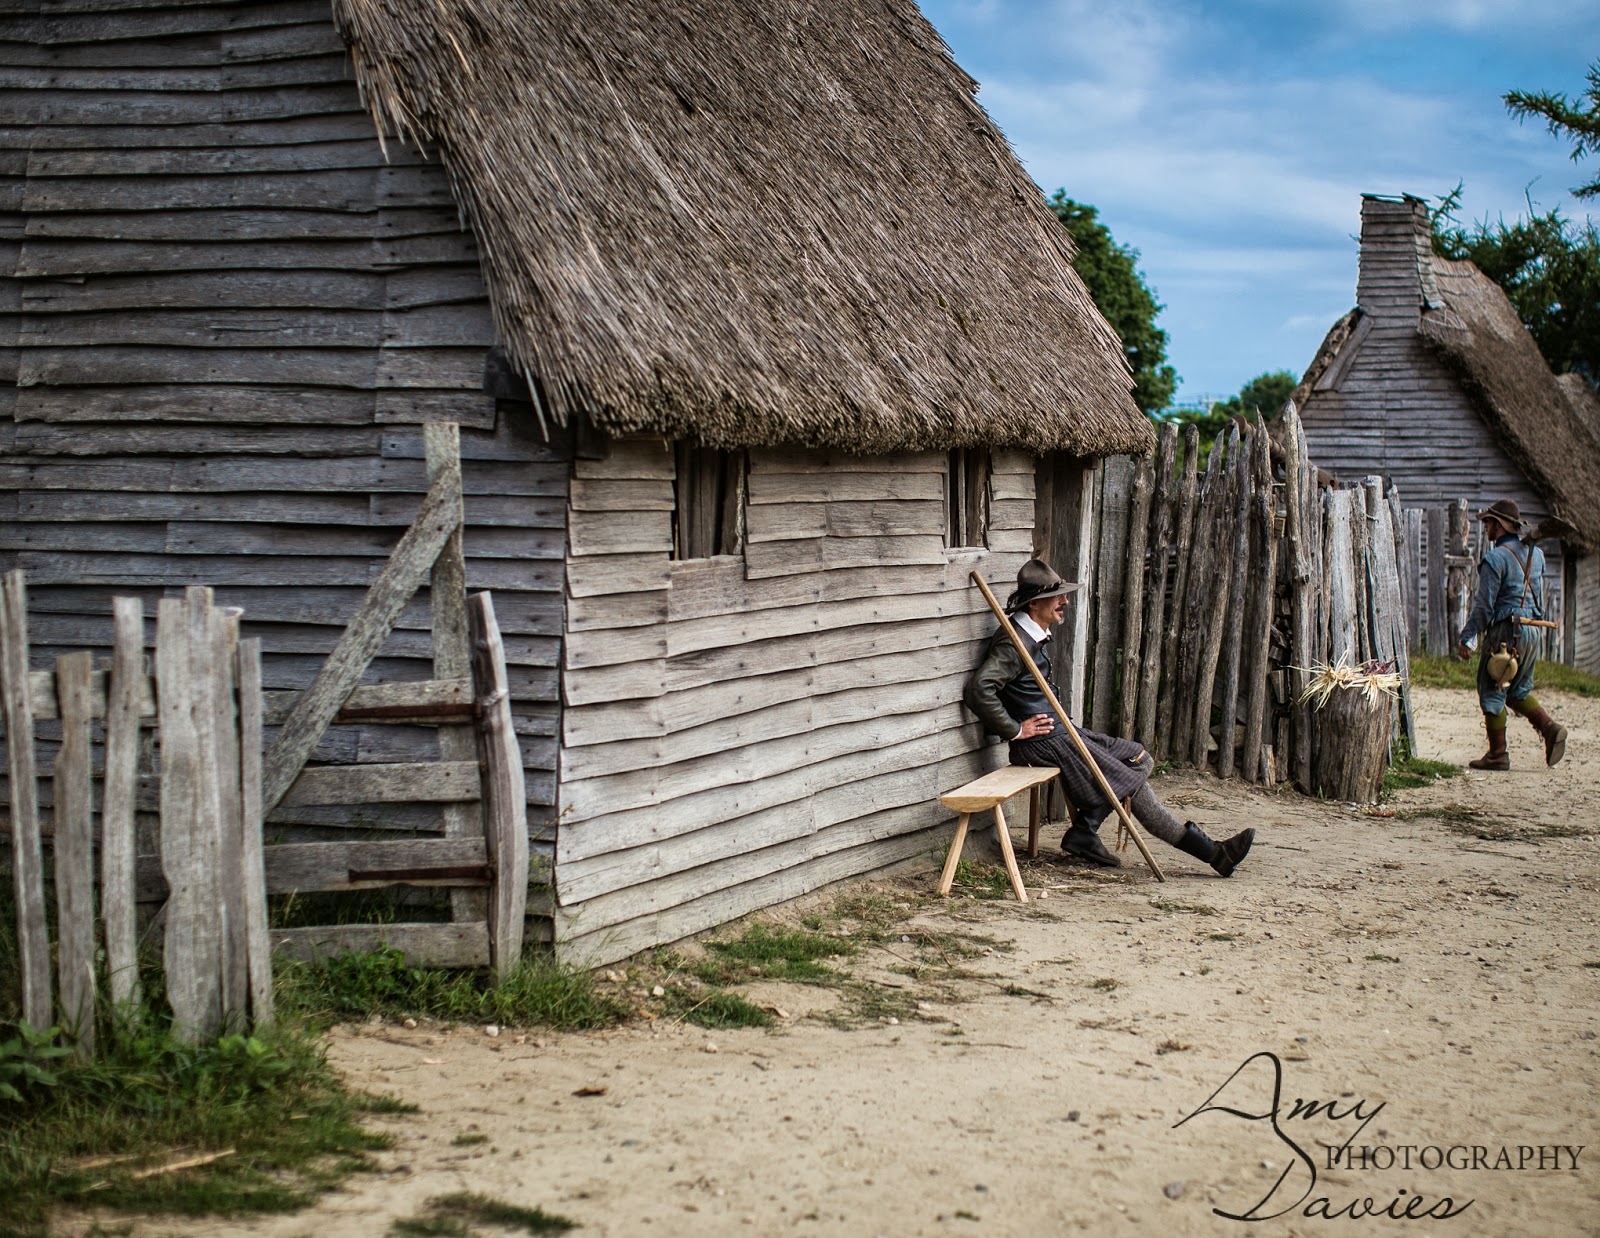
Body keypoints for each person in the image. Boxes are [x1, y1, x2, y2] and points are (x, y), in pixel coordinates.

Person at [964, 558, 1255, 876]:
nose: (1065, 601)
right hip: (1045, 741)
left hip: (1063, 732)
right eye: (1057, 596)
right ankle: (1214, 854)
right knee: (1133, 783)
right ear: (1035, 604)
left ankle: (1084, 832)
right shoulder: (1014, 642)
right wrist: (1016, 730)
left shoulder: (1031, 633)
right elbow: (979, 689)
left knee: (1139, 758)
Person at [1455, 499, 1568, 771]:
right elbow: (1537, 599)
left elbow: (1484, 606)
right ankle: (1549, 729)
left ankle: (1497, 754)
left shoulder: (1495, 558)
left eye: (1488, 523)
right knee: (1517, 689)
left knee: (1490, 687)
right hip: (1532, 630)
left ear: (1500, 525)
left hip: (1506, 630)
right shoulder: (1536, 555)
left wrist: (1468, 637)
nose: (1485, 528)